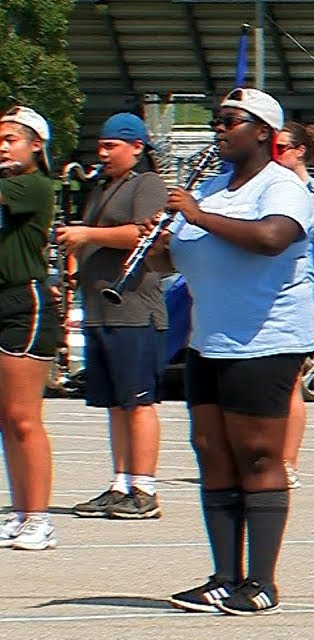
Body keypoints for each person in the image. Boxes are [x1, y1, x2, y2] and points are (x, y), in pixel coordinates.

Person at [154, 88, 314, 615]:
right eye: (216, 121)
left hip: (265, 341)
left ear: (264, 133)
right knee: (211, 450)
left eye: (230, 121)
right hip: (210, 340)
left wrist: (198, 217)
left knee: (258, 455)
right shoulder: (215, 188)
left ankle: (262, 582)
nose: (219, 130)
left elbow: (272, 238)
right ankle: (223, 576)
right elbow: (172, 261)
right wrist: (155, 243)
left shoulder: (283, 187)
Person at [62, 113, 168, 522]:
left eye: (112, 146)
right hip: (101, 309)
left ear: (136, 148)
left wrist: (87, 235)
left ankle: (145, 487)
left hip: (135, 310)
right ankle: (120, 482)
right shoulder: (104, 187)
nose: (102, 153)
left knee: (138, 401)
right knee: (115, 405)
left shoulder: (148, 184)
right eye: (101, 145)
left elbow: (144, 233)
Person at [0, 106, 60, 551]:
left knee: (24, 418)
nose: (2, 147)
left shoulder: (34, 185)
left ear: (36, 145)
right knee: (6, 419)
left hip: (26, 301)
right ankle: (21, 512)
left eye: (10, 139)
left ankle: (40, 519)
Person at [275, 121, 314, 490]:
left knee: (290, 383)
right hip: (265, 297)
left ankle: (288, 461)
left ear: (299, 151)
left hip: (298, 298)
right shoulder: (265, 189)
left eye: (281, 148)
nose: (275, 155)